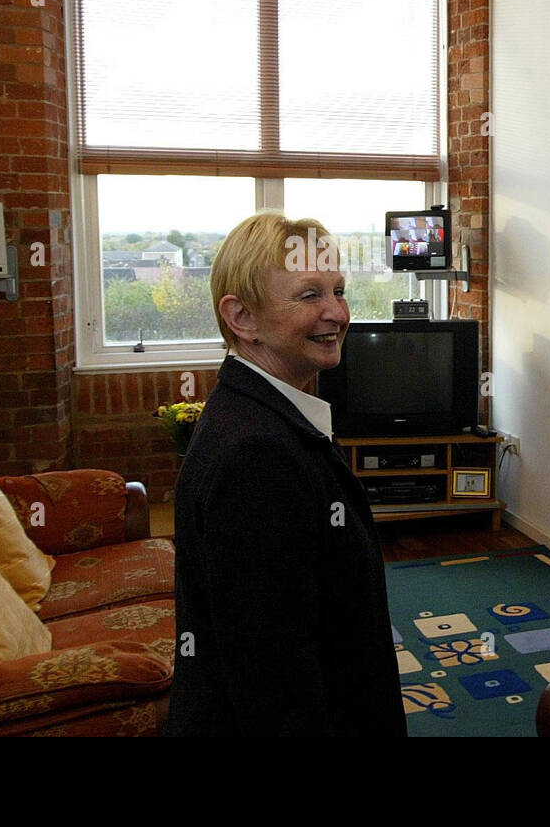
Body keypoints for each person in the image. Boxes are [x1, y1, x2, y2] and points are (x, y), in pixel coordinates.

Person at [164, 212, 406, 736]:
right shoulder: (255, 456)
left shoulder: (259, 416)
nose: (337, 313)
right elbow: (272, 678)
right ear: (242, 318)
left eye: (338, 291)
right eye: (308, 295)